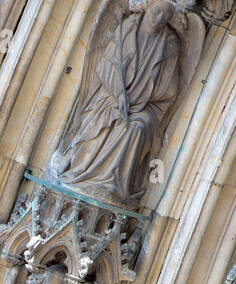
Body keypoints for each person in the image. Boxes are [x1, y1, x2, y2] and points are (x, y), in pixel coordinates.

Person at [47, 0, 184, 207]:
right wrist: (120, 95)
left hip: (143, 105)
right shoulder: (128, 28)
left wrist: (138, 99)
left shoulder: (170, 42)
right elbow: (106, 66)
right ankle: (84, 171)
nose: (158, 19)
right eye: (156, 12)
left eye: (164, 17)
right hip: (111, 95)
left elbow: (167, 89)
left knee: (138, 127)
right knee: (110, 117)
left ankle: (115, 185)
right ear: (148, 7)